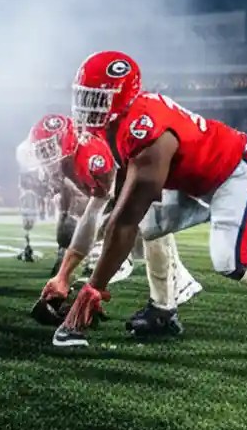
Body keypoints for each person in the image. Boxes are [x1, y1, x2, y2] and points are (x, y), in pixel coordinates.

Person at [54, 51, 247, 366]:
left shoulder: (146, 130)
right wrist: (68, 273)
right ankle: (163, 310)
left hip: (240, 170)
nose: (88, 109)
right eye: (84, 97)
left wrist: (93, 289)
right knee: (148, 224)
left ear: (123, 98)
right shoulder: (121, 123)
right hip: (198, 183)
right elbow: (124, 208)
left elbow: (125, 221)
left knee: (231, 259)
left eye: (98, 100)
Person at [28, 113, 200, 337]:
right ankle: (178, 284)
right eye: (42, 150)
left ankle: (163, 310)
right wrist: (64, 274)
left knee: (148, 223)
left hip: (172, 177)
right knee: (129, 226)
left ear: (69, 140)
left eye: (51, 148)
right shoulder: (75, 161)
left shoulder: (92, 158)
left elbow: (94, 215)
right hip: (141, 184)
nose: (47, 157)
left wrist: (67, 274)